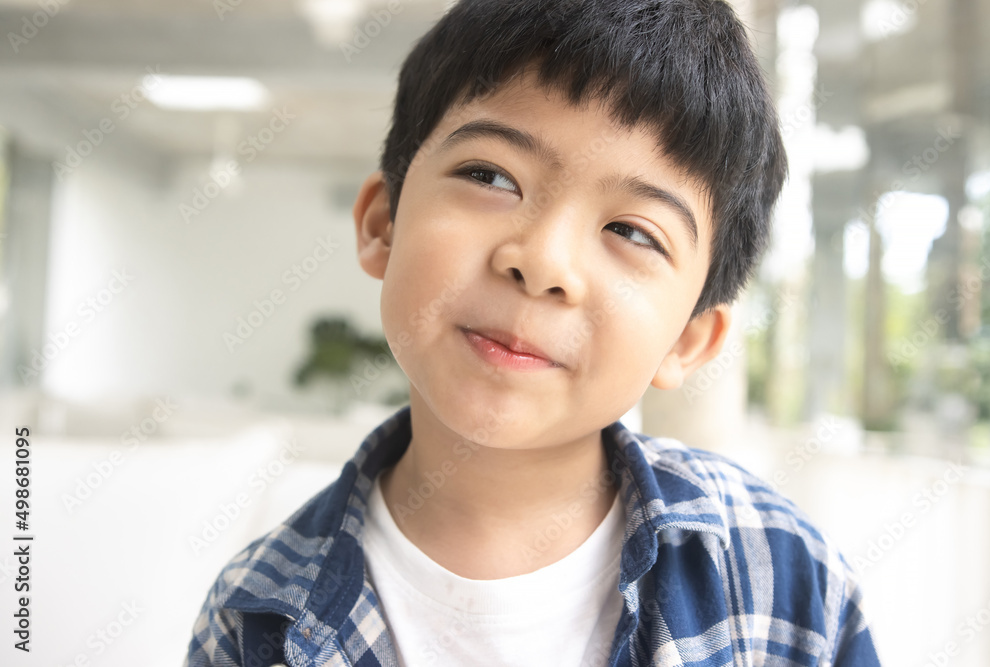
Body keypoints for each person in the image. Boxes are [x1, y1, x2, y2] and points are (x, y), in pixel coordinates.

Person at [185, 0, 881, 664]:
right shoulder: (253, 615)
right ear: (382, 224)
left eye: (632, 231)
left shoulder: (782, 575)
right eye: (491, 176)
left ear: (688, 339)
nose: (543, 261)